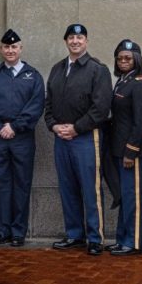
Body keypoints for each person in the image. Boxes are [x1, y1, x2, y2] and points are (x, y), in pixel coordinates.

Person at [44, 24, 112, 256]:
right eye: (71, 37)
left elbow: (101, 108)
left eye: (79, 37)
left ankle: (95, 237)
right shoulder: (57, 69)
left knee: (90, 189)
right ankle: (74, 234)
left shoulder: (97, 70)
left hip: (85, 137)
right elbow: (49, 104)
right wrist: (54, 126)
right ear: (66, 41)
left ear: (86, 41)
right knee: (68, 188)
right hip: (61, 138)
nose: (75, 41)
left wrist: (76, 128)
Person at [0, 29, 44, 248]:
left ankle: (18, 231)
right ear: (1, 49)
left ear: (20, 48)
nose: (10, 50)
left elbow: (36, 106)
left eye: (14, 47)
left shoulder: (33, 76)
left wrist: (15, 126)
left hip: (22, 138)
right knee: (0, 184)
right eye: (6, 47)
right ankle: (3, 229)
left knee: (21, 184)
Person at [103, 40, 142, 256]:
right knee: (124, 196)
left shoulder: (139, 84)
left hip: (131, 152)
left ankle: (133, 243)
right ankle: (122, 238)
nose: (123, 61)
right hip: (117, 148)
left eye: (128, 58)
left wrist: (130, 151)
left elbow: (140, 122)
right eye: (120, 58)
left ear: (137, 60)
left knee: (133, 197)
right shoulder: (121, 82)